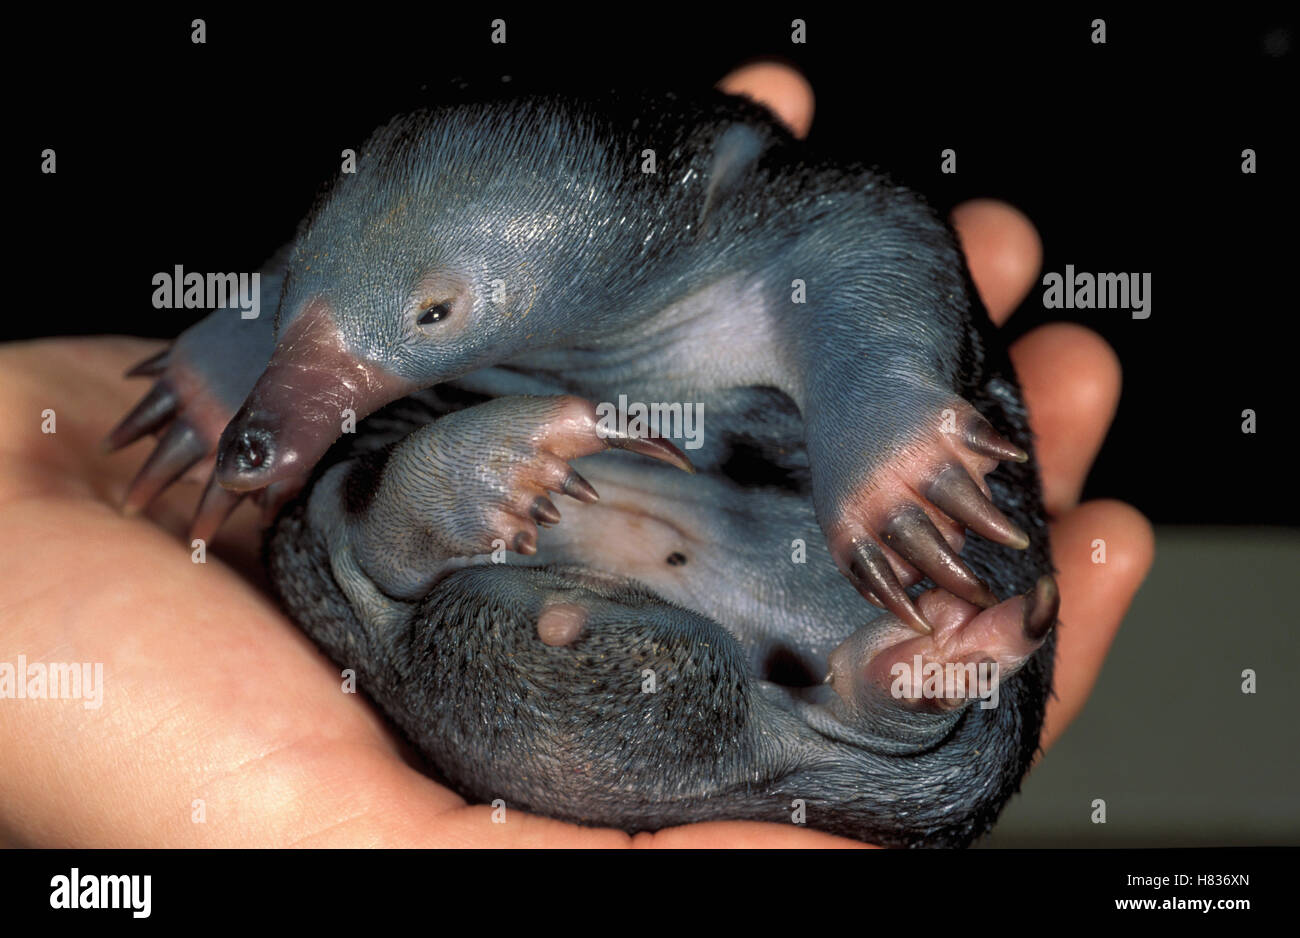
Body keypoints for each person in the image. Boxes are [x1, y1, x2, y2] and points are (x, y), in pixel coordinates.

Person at [0, 64, 1152, 847]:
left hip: (714, 595)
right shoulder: (392, 247)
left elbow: (867, 261)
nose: (279, 421)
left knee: (375, 509)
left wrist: (880, 425)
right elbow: (350, 269)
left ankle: (879, 705)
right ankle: (879, 698)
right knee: (361, 503)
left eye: (435, 311)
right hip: (498, 615)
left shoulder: (779, 231)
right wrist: (243, 347)